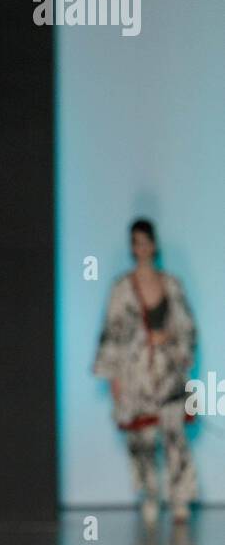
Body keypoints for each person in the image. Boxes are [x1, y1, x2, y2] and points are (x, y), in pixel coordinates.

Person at [93, 218, 199, 524]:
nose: (140, 248)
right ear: (132, 247)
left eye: (144, 241)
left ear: (153, 244)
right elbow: (111, 333)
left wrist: (172, 342)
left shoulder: (171, 284)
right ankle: (150, 495)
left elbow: (187, 327)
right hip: (136, 376)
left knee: (175, 435)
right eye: (135, 242)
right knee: (142, 440)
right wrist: (114, 377)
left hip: (168, 373)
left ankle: (180, 499)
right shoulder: (122, 289)